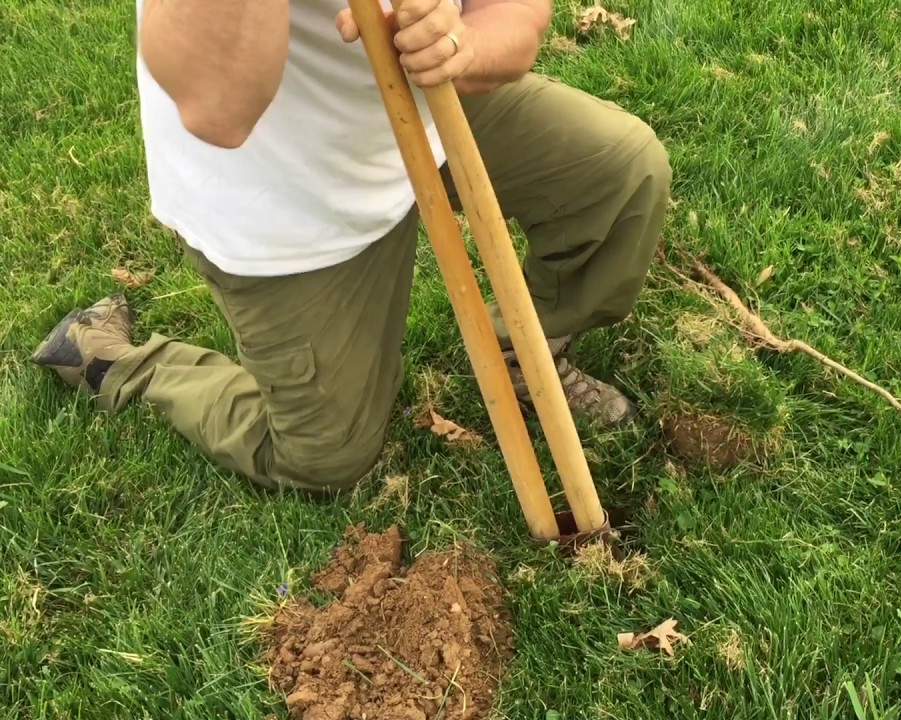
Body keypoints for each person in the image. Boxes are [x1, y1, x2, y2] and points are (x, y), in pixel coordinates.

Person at [31, 0, 671, 495]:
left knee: (619, 174)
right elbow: (218, 105)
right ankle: (117, 361)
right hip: (285, 186)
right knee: (324, 457)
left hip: (426, 104)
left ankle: (525, 351)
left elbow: (518, 18)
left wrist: (461, 45)